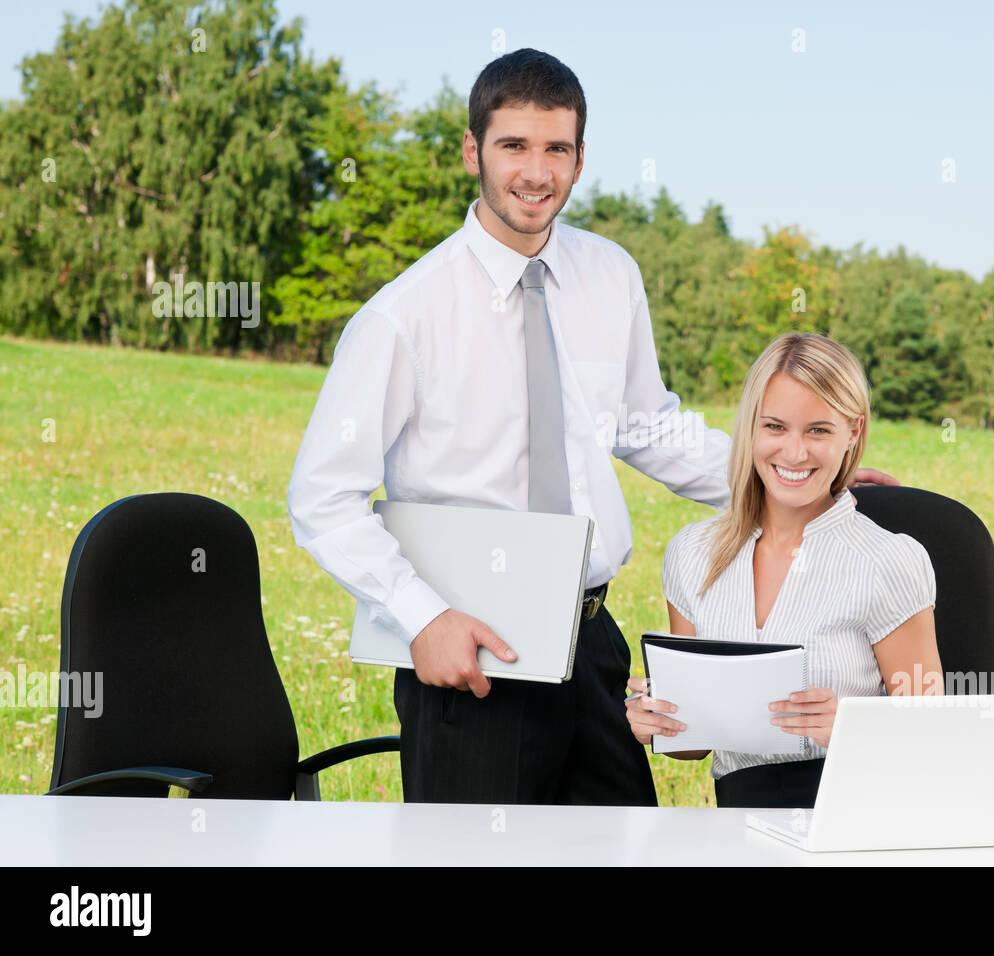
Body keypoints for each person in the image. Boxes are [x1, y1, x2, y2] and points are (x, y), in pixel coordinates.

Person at [287, 49, 896, 807]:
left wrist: (785, 480)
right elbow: (321, 496)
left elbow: (648, 425)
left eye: (556, 149)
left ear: (580, 158)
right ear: (473, 150)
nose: (536, 173)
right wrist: (423, 618)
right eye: (514, 146)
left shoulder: (611, 275)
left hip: (592, 636)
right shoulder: (403, 317)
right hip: (473, 649)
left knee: (624, 848)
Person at [625, 332, 943, 809]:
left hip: (852, 815)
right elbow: (695, 745)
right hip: (740, 820)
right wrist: (659, 721)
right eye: (775, 427)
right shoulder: (692, 555)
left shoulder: (887, 561)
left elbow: (932, 732)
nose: (794, 454)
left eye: (818, 430)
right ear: (750, 427)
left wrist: (853, 728)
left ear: (853, 433)